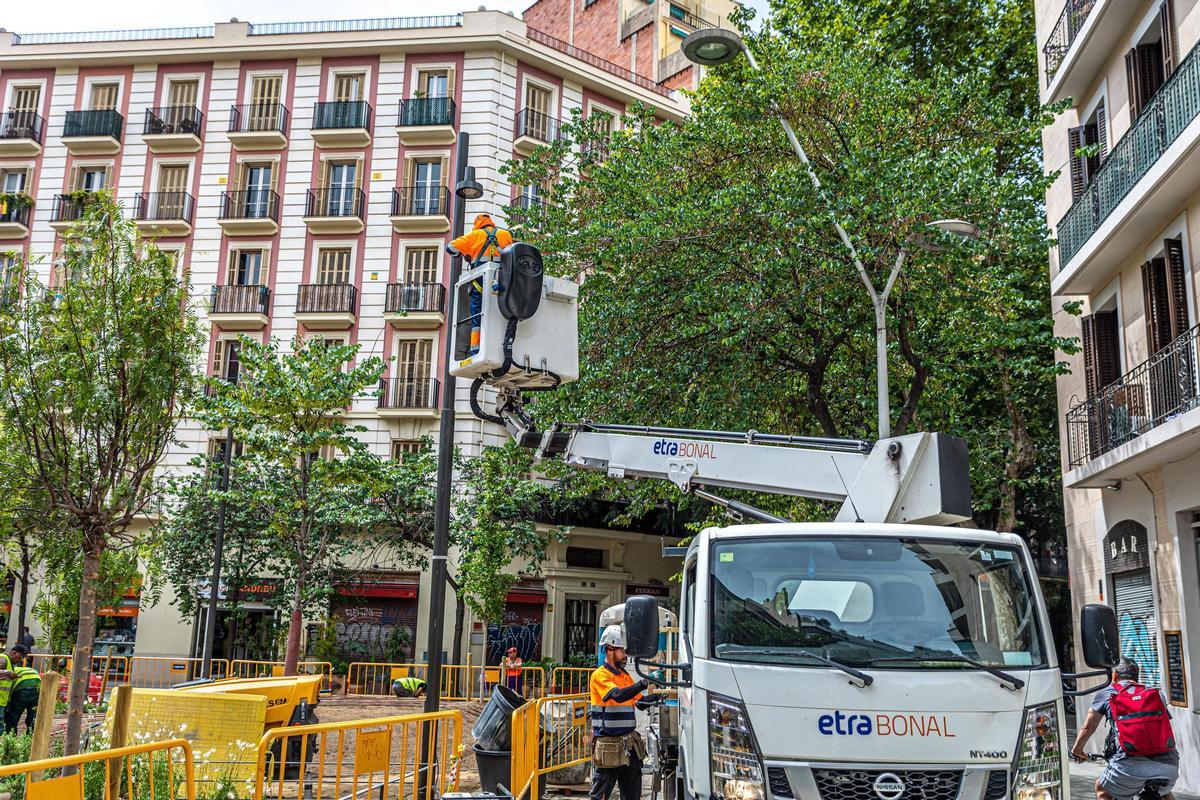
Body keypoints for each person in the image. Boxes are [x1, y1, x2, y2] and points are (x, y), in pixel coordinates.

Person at [1071, 658, 1178, 800]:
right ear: (1137, 676)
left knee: (1101, 789)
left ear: (1114, 675)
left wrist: (1077, 750)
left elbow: (1087, 728)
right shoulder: (1157, 694)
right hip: (1169, 766)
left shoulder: (1107, 694)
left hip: (1129, 767)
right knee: (1164, 792)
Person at [589, 625, 653, 800]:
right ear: (609, 650)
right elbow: (617, 695)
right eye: (622, 651)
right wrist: (642, 683)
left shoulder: (624, 676)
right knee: (600, 795)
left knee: (632, 795)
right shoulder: (600, 676)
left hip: (629, 745)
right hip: (608, 745)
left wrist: (656, 696)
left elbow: (639, 702)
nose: (626, 656)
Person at [445, 213, 513, 355]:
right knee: (501, 315)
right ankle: (501, 348)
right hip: (502, 283)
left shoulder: (473, 236)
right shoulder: (506, 235)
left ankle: (476, 351)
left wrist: (465, 254)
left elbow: (450, 248)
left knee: (477, 318)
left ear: (477, 224)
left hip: (479, 284)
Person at [4, 645, 39, 735]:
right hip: (36, 690)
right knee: (32, 715)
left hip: (22, 692)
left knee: (14, 715)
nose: (21, 660)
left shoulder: (12, 671)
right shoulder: (29, 669)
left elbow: (9, 688)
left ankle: (11, 735)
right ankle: (30, 735)